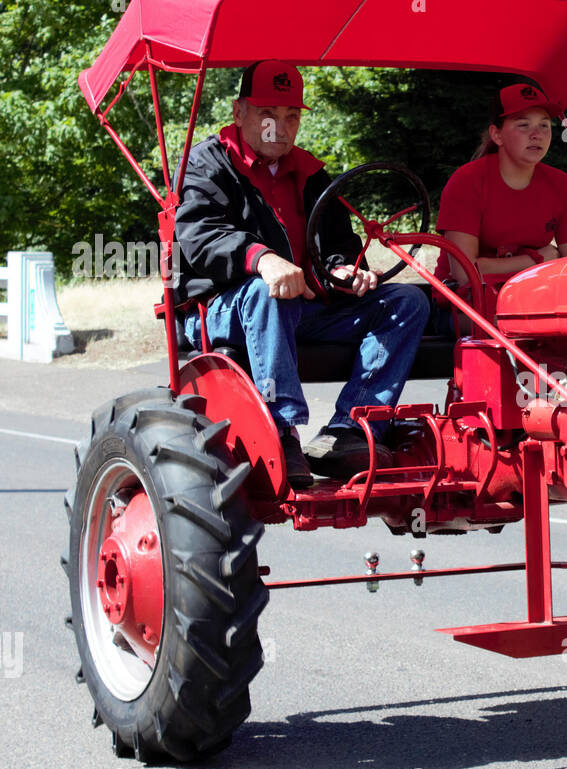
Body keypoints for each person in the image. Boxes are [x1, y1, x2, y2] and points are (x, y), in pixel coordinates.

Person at [175, 60, 429, 489]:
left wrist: (343, 269)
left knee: (408, 302)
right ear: (239, 112)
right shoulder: (206, 165)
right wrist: (262, 259)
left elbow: (336, 244)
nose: (281, 126)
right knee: (267, 292)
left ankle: (349, 430)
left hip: (302, 307)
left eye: (291, 115)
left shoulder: (311, 173)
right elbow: (199, 235)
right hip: (218, 309)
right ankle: (283, 429)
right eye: (268, 114)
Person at [436, 83, 567, 288]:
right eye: (523, 125)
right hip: (469, 302)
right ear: (496, 135)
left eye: (544, 125)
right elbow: (465, 274)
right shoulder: (467, 180)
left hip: (535, 294)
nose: (537, 134)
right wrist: (536, 259)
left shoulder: (560, 184)